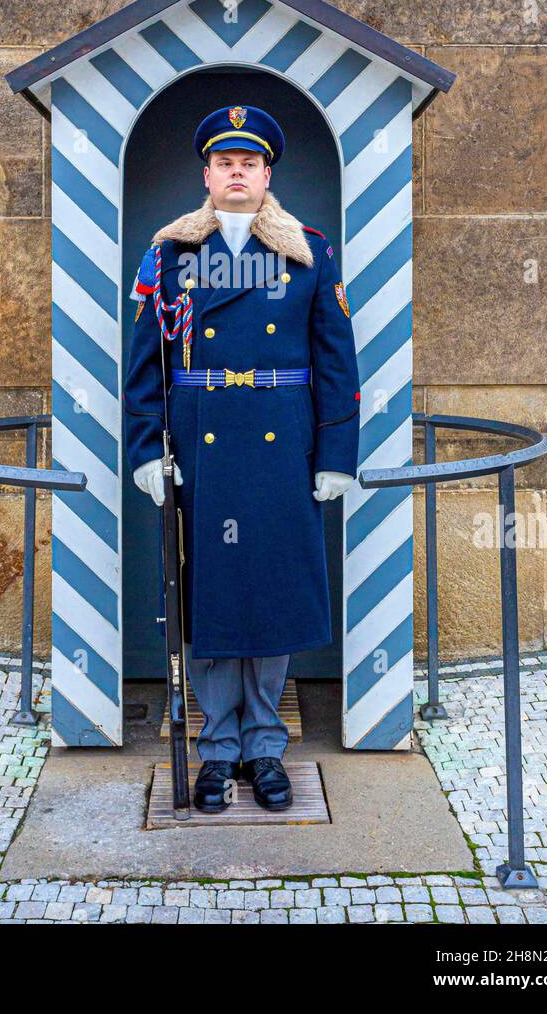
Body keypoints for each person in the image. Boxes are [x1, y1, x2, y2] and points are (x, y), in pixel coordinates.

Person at [123, 99, 360, 813]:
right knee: (213, 597)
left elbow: (335, 364)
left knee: (275, 592)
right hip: (202, 445)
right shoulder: (169, 254)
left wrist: (333, 455)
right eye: (224, 162)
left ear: (266, 175)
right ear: (206, 172)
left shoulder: (308, 251)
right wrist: (144, 447)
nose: (236, 172)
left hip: (282, 444)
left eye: (249, 163)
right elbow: (146, 363)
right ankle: (217, 749)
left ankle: (264, 746)